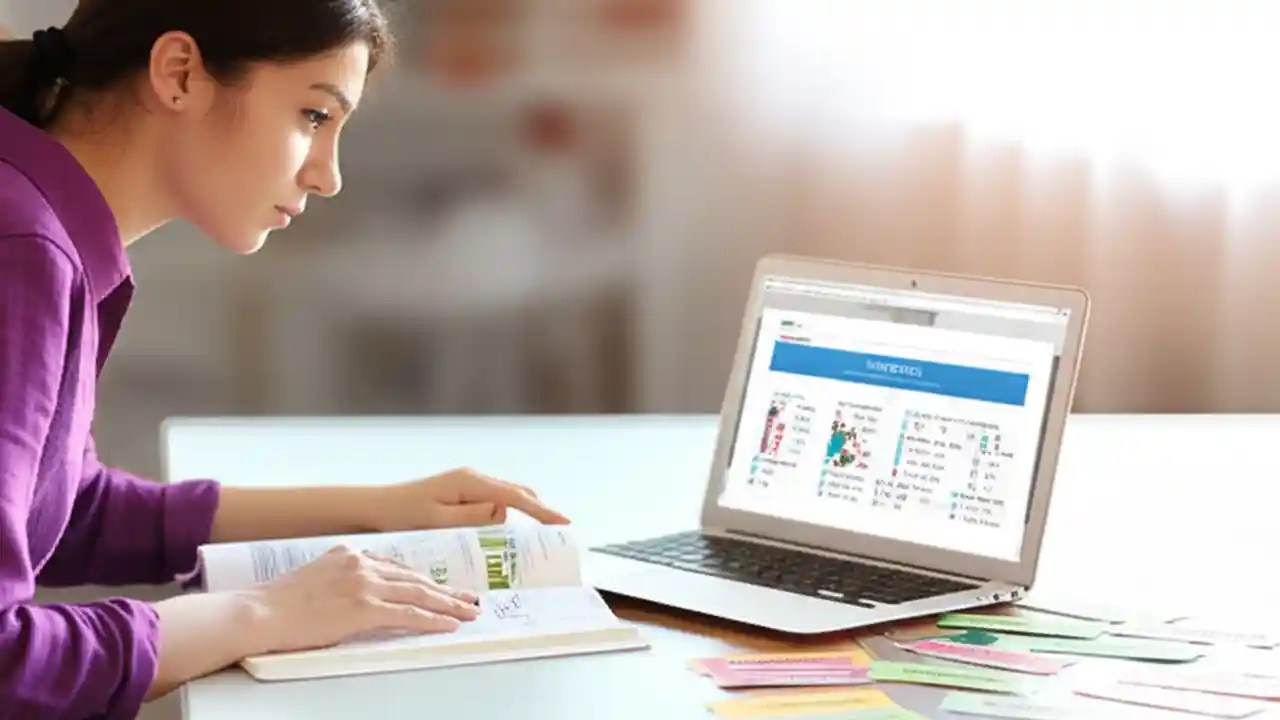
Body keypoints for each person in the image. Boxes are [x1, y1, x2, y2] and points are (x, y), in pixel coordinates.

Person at [0, 2, 569, 718]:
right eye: (312, 116)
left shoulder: (36, 223)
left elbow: (70, 511)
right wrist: (267, 614)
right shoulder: (22, 251)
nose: (328, 175)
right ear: (178, 74)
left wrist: (378, 511)